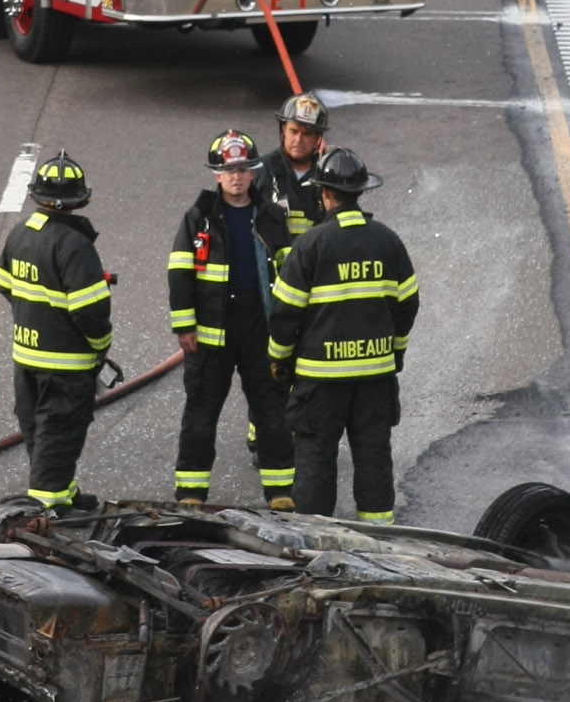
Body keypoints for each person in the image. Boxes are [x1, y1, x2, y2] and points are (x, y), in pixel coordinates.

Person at [268, 147, 420, 524]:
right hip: (375, 377)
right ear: (360, 193)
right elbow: (408, 304)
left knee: (317, 457)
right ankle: (378, 536)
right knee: (372, 455)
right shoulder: (388, 242)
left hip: (320, 381)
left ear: (324, 194)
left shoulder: (310, 245)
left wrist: (280, 360)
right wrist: (394, 353)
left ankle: (317, 540)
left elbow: (284, 314)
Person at [167, 131, 297, 509]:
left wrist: (287, 328)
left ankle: (280, 493)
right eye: (229, 170)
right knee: (201, 412)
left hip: (260, 328)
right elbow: (179, 273)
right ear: (216, 175)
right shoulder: (198, 219)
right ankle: (191, 492)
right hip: (211, 334)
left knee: (271, 409)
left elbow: (287, 274)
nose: (237, 177)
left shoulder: (272, 217)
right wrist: (185, 326)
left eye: (243, 169)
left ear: (254, 173)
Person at [0, 151, 111, 511]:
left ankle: (62, 492)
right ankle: (47, 518)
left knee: (40, 435)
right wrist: (101, 345)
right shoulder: (76, 246)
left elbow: (4, 283)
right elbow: (90, 312)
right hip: (66, 366)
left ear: (36, 196)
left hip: (26, 356)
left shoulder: (20, 234)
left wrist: (35, 315)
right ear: (80, 199)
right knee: (58, 436)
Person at [261, 91, 328, 239]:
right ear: (283, 130)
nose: (299, 140)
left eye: (307, 134)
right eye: (294, 131)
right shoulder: (262, 170)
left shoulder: (327, 175)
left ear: (318, 137)